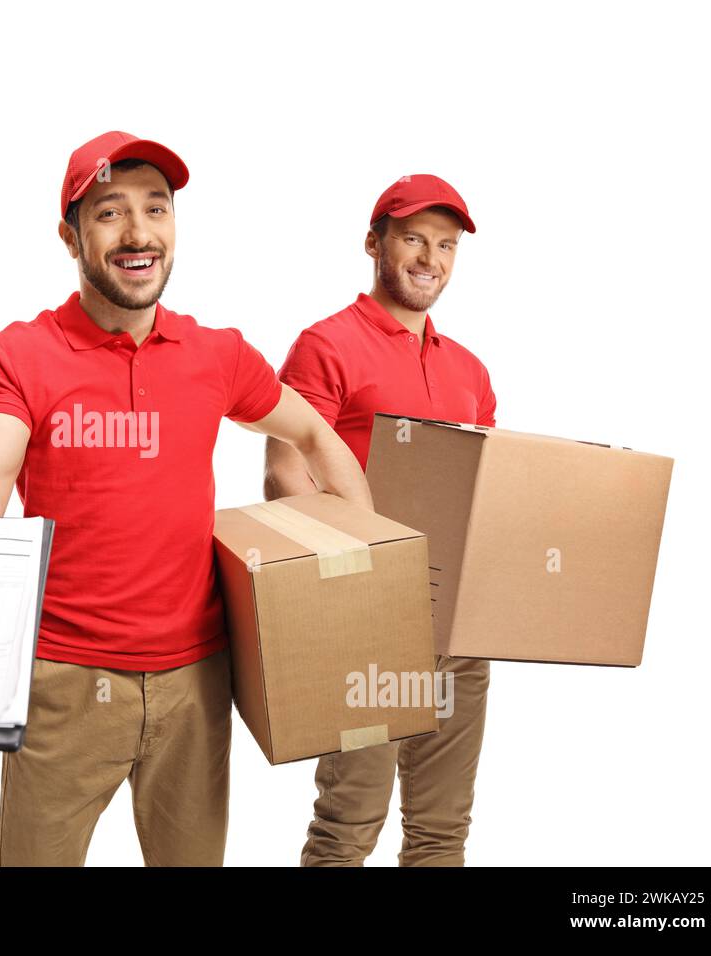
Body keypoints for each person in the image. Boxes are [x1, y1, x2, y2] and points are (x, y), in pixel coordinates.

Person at [0, 132, 372, 866]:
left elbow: (310, 429)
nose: (140, 233)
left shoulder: (217, 354)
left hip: (197, 685)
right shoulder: (17, 355)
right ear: (71, 235)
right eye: (111, 212)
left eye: (157, 208)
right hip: (63, 683)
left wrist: (369, 550)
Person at [267, 173, 497, 866]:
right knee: (347, 826)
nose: (430, 259)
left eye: (446, 246)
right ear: (375, 243)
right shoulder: (327, 345)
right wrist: (348, 579)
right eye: (413, 240)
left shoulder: (470, 370)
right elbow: (284, 476)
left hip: (457, 624)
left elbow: (488, 492)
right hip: (365, 615)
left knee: (441, 831)